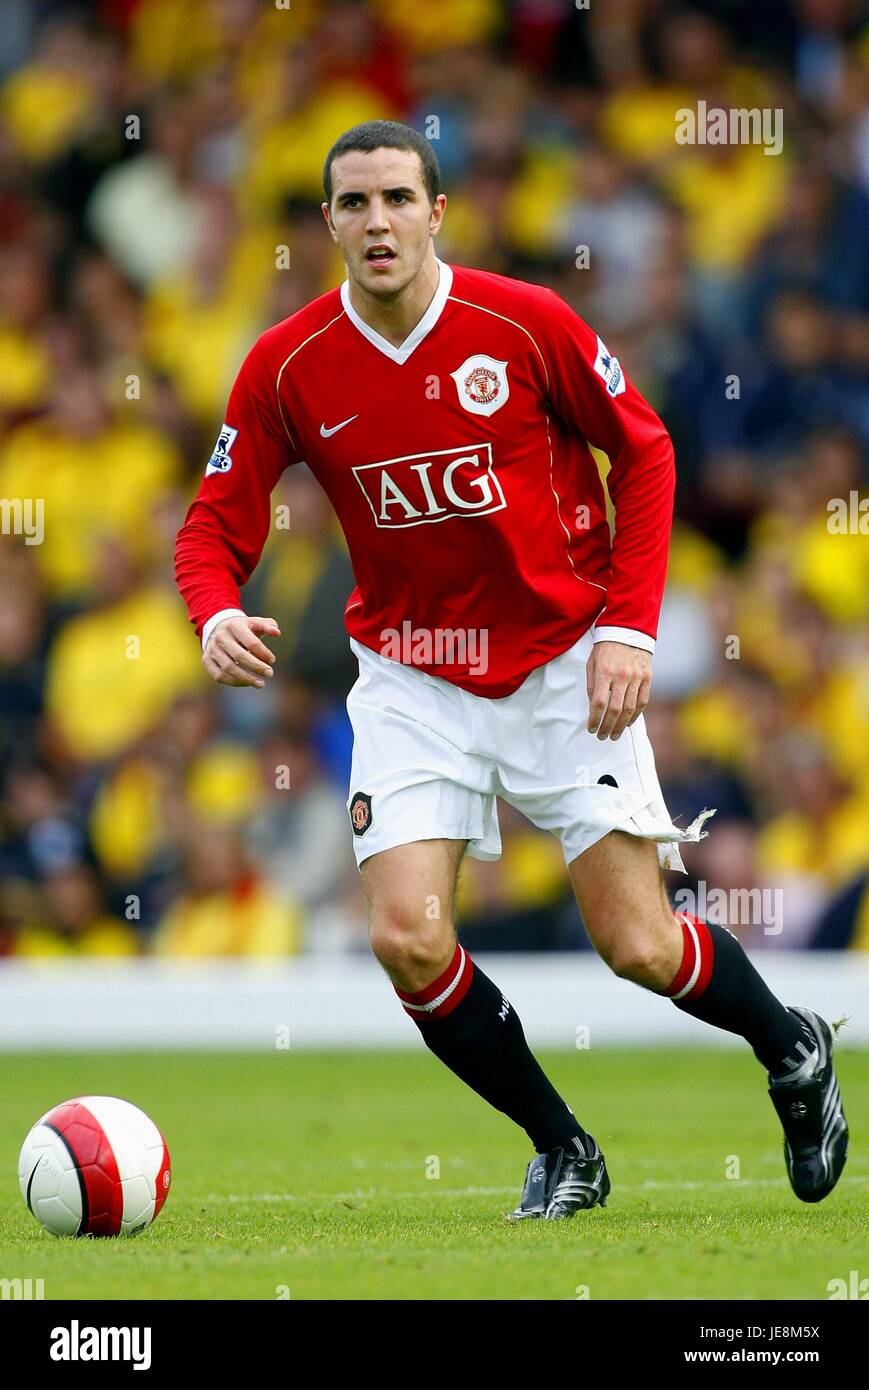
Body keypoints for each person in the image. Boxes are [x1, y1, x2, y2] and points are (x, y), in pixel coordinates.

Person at [175, 120, 847, 1219]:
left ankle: (790, 1046)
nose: (375, 221)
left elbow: (646, 448)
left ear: (436, 211)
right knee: (404, 934)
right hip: (410, 674)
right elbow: (210, 531)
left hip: (560, 660)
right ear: (329, 224)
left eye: (396, 198)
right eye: (352, 204)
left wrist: (629, 628)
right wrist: (212, 614)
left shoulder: (522, 321)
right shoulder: (287, 365)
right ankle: (562, 1144)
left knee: (635, 943)